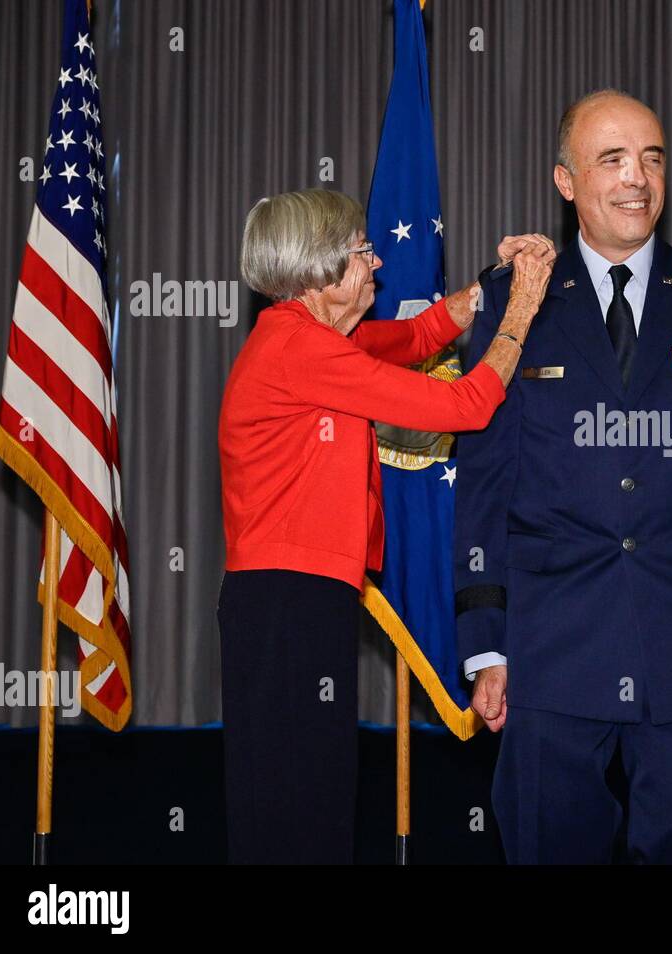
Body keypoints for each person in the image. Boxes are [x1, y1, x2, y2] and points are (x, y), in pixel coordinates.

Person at [453, 91, 672, 864]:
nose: (638, 178)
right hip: (548, 646)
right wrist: (484, 644)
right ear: (566, 182)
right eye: (612, 159)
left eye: (652, 157)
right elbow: (483, 485)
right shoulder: (517, 299)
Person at [217, 187, 553, 863]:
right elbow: (466, 404)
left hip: (295, 598)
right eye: (361, 252)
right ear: (318, 269)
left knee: (304, 793)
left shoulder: (305, 337)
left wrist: (497, 283)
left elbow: (419, 335)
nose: (375, 265)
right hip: (289, 601)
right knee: (298, 802)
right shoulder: (299, 350)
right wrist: (522, 310)